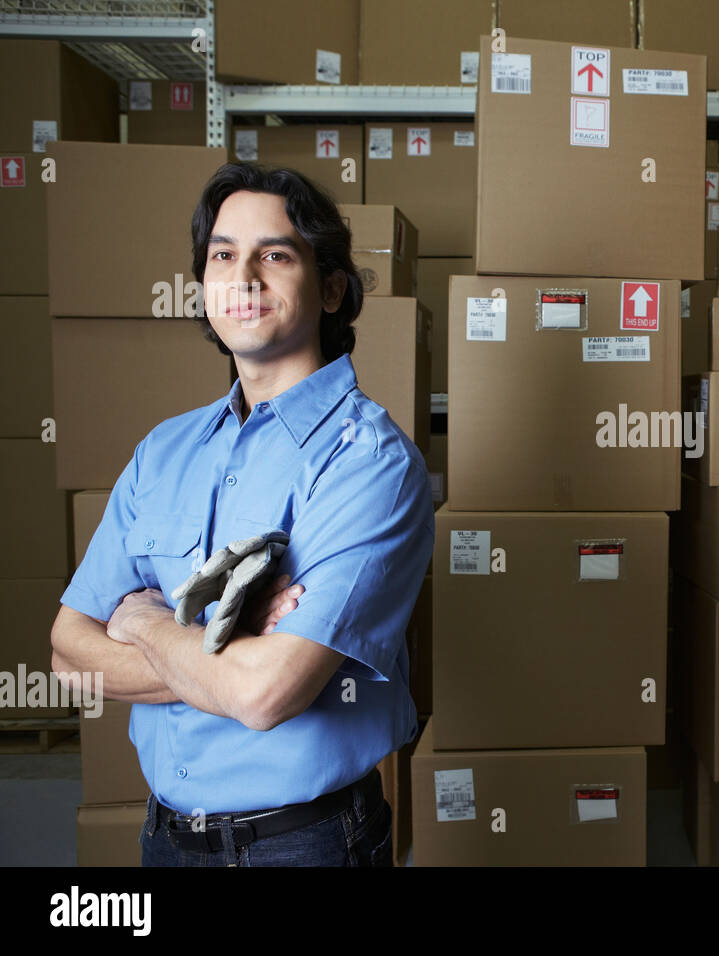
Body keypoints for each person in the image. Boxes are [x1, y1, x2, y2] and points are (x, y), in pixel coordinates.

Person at [49, 163, 434, 866]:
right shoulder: (163, 451)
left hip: (303, 843)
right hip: (164, 838)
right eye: (222, 254)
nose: (243, 276)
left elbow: (264, 694)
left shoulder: (369, 462)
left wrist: (141, 622)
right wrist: (227, 641)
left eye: (275, 254)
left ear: (333, 288)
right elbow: (67, 650)